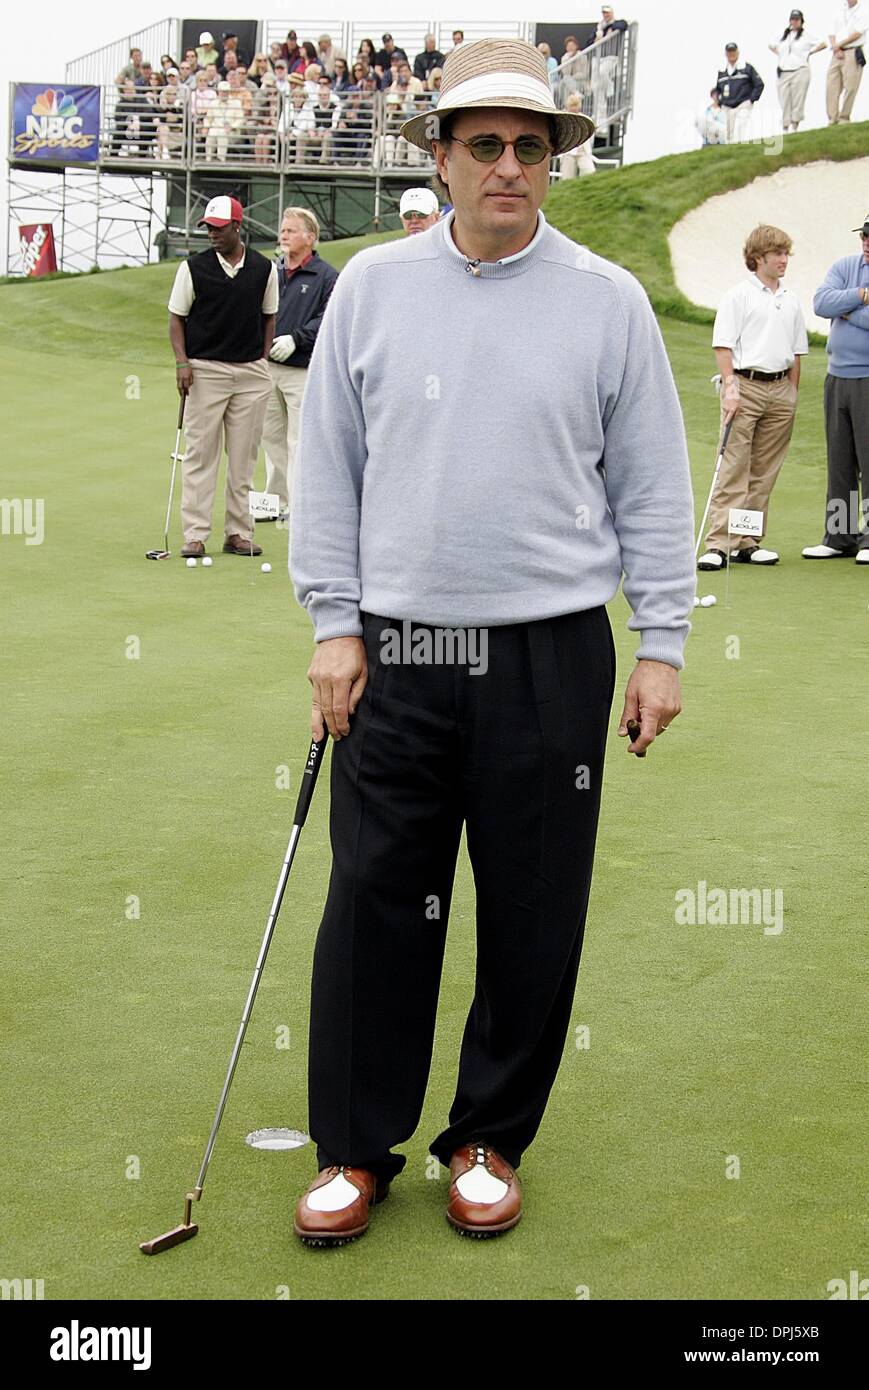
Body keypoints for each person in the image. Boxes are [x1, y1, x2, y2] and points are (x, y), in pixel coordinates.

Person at [289, 38, 695, 1245]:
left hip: (548, 651)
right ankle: (356, 1148)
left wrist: (660, 641)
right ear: (441, 157)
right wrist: (331, 620)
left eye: (530, 146)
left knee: (531, 906)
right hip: (395, 651)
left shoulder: (607, 300)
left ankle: (484, 1137)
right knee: (373, 898)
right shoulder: (368, 285)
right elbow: (328, 470)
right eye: (484, 145)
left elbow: (653, 488)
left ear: (552, 162)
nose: (508, 165)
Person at [167, 196, 276, 559]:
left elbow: (268, 317)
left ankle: (238, 533)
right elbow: (176, 319)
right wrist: (183, 363)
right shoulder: (193, 267)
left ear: (236, 227)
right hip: (205, 370)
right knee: (201, 454)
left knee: (244, 458)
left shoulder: (264, 268)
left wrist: (260, 359)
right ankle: (196, 534)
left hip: (251, 374)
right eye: (208, 228)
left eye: (218, 227)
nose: (212, 234)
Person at [698, 225, 809, 571]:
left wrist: (791, 392)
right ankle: (719, 543)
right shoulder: (739, 296)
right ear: (758, 258)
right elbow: (723, 346)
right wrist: (730, 389)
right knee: (734, 465)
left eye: (786, 254)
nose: (783, 260)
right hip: (745, 386)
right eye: (777, 254)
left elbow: (797, 352)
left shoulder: (789, 299)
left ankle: (747, 541)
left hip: (780, 390)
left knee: (764, 470)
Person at [258, 207, 339, 522]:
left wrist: (297, 339)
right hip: (267, 367)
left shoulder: (326, 276)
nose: (284, 235)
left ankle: (301, 504)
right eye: (283, 229)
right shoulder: (272, 272)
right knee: (271, 437)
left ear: (310, 237)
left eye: (291, 230)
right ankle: (277, 501)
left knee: (299, 439)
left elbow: (328, 319)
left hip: (302, 369)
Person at [802, 214, 869, 562]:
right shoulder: (846, 266)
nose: (867, 243)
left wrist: (846, 311)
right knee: (840, 461)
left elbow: (838, 308)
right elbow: (821, 303)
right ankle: (841, 536)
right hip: (837, 377)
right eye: (865, 236)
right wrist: (860, 296)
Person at [769, 10, 826, 130]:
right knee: (784, 100)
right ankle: (785, 126)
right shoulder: (783, 34)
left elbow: (823, 43)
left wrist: (810, 52)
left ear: (801, 21)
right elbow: (771, 45)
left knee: (797, 99)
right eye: (792, 19)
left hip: (800, 69)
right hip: (784, 71)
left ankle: (795, 127)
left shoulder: (807, 34)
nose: (794, 22)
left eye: (797, 19)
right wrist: (780, 55)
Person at [826, 0, 868, 123]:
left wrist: (839, 45)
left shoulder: (863, 12)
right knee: (831, 86)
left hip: (852, 51)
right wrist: (835, 47)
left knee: (850, 86)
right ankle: (832, 118)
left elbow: (857, 34)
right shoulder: (839, 12)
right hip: (837, 53)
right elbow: (831, 32)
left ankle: (844, 117)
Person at [716, 42, 765, 142]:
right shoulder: (722, 71)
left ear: (738, 53)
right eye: (729, 52)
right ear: (726, 54)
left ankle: (740, 147)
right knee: (728, 135)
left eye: (733, 51)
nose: (731, 54)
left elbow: (759, 84)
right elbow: (718, 89)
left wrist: (751, 100)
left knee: (740, 130)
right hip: (727, 107)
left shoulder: (747, 68)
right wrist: (720, 102)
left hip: (743, 104)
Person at [559, 91, 596, 175]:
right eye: (572, 106)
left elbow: (590, 135)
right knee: (567, 177)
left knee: (590, 172)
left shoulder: (585, 119)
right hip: (568, 152)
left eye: (576, 105)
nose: (574, 108)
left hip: (582, 152)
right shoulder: (562, 119)